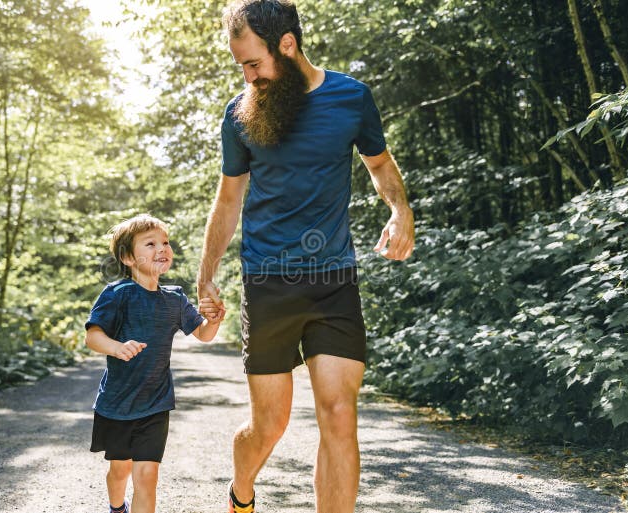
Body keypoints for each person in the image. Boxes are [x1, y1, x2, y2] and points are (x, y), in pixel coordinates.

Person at [196, 2, 415, 512]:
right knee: (269, 425)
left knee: (339, 414)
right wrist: (205, 276)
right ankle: (241, 489)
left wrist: (400, 209)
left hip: (334, 280)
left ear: (288, 46)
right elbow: (228, 199)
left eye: (254, 64)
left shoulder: (351, 98)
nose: (249, 77)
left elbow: (379, 164)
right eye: (241, 68)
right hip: (268, 282)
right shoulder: (240, 113)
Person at [85, 214, 225, 513]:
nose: (162, 248)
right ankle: (116, 507)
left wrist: (213, 320)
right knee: (119, 471)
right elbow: (93, 336)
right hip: (117, 404)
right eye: (150, 244)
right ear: (128, 257)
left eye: (165, 242)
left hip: (156, 403)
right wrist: (117, 347)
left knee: (147, 476)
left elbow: (202, 333)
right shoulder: (117, 294)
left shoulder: (174, 299)